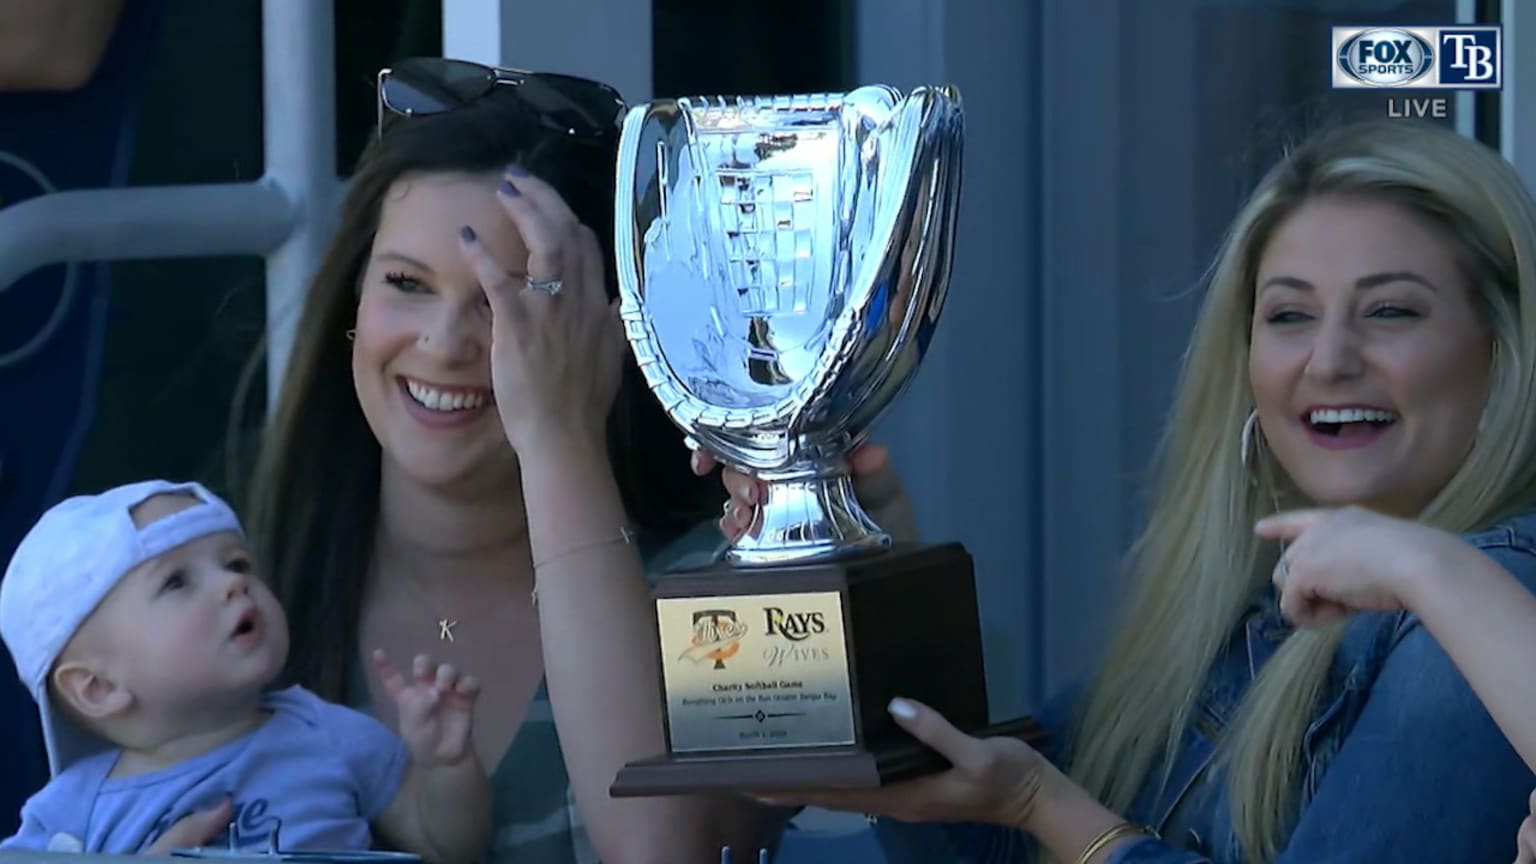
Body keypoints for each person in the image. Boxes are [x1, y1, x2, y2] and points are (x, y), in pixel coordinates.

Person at [714, 118, 1536, 863]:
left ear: (1503, 352)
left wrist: (1050, 809)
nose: (1328, 361)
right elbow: (994, 847)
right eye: (1289, 316)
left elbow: (1039, 811)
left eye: (1390, 311)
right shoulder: (1244, 606)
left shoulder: (1489, 599)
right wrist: (868, 563)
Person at [229, 58, 789, 864]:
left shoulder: (720, 587)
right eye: (407, 284)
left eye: (510, 299)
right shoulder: (234, 597)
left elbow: (664, 851)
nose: (445, 344)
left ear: (612, 330)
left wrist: (558, 433)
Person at [0, 479, 489, 860]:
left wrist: (445, 766)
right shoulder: (71, 813)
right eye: (176, 582)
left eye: (237, 563)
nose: (233, 585)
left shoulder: (324, 732)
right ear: (98, 686)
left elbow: (447, 848)